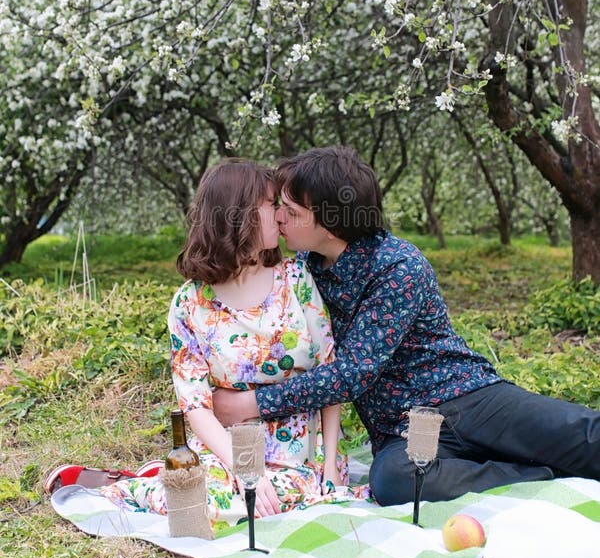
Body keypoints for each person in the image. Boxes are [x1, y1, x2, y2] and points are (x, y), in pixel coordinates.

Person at [213, 146, 600, 506]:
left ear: (330, 224)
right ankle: (540, 475)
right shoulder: (304, 272)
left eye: (292, 212)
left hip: (466, 397)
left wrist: (253, 404)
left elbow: (353, 373)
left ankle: (540, 456)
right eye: (280, 207)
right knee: (394, 481)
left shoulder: (398, 266)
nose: (280, 217)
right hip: (401, 427)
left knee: (583, 436)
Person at [98, 158, 349, 525]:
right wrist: (246, 468)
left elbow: (331, 374)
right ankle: (151, 482)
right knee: (196, 504)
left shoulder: (296, 278)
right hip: (228, 449)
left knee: (279, 504)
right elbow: (195, 404)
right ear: (239, 215)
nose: (280, 216)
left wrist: (330, 465)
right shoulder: (190, 303)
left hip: (298, 451)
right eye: (270, 204)